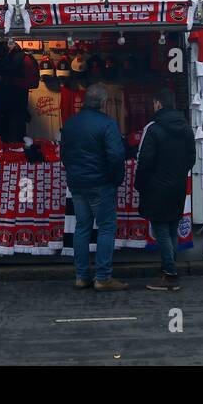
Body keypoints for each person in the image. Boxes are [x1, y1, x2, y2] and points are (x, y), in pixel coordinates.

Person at [60, 83, 127, 291]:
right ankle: (103, 277)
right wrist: (116, 179)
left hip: (77, 183)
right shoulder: (107, 124)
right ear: (104, 103)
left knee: (82, 227)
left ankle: (81, 276)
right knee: (106, 228)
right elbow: (116, 156)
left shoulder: (70, 124)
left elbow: (64, 154)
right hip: (100, 182)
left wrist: (74, 173)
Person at [134, 88, 196, 291]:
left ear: (159, 104)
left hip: (156, 186)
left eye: (154, 104)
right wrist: (178, 174)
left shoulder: (153, 128)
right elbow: (191, 158)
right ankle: (168, 269)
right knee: (171, 228)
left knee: (161, 228)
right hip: (178, 185)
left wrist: (140, 184)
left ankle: (169, 273)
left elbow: (144, 160)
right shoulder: (186, 127)